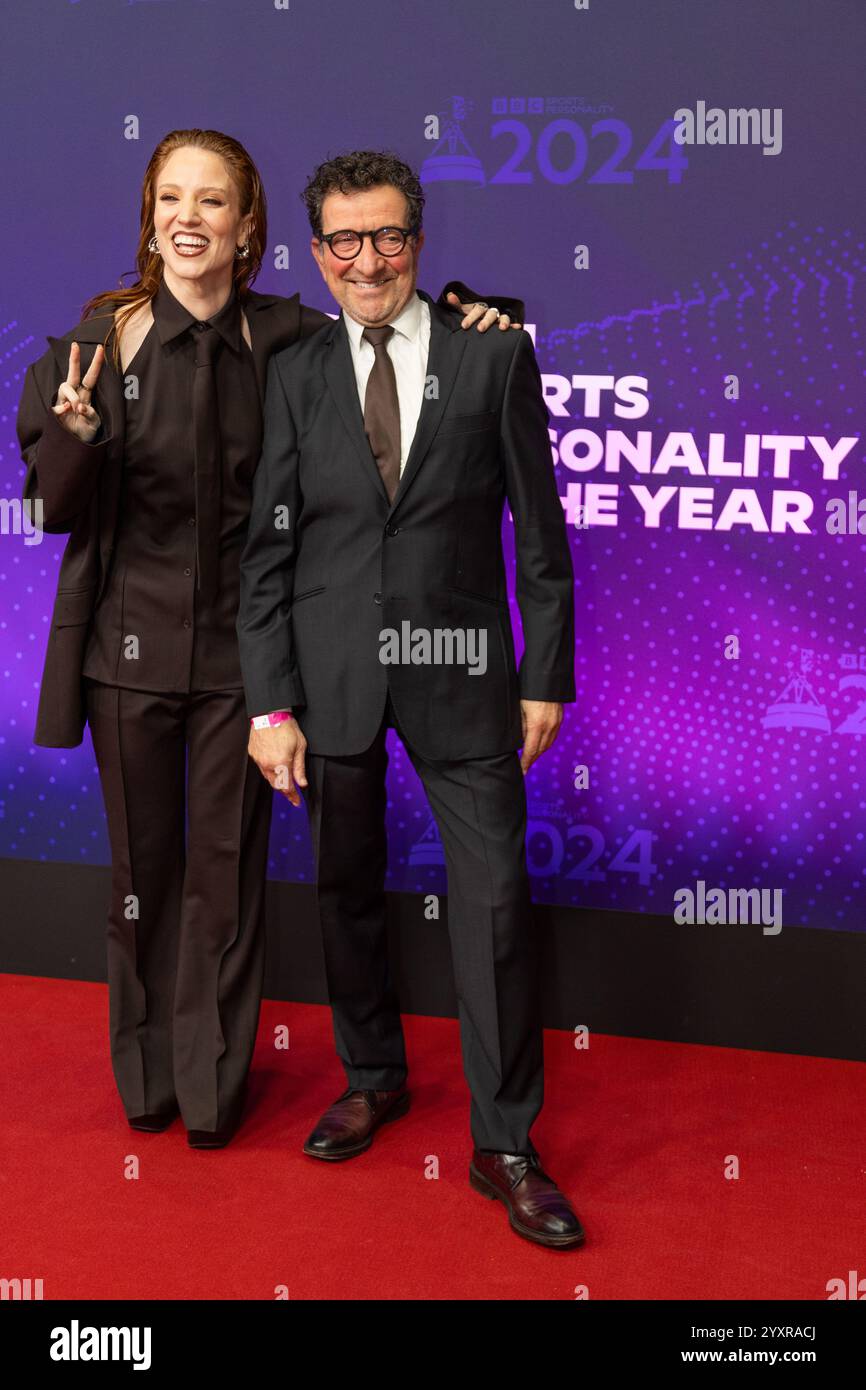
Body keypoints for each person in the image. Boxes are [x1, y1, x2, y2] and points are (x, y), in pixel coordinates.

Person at [16, 128, 523, 1150]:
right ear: (150, 219)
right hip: (127, 653)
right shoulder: (90, 345)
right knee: (139, 879)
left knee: (225, 886)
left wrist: (480, 305)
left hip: (252, 662)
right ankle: (147, 1074)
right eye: (171, 199)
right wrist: (76, 435)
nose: (188, 218)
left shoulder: (284, 336)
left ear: (248, 229)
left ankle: (211, 1090)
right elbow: (49, 508)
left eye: (212, 202)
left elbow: (380, 305)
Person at [238, 150, 583, 1248]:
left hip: (464, 672)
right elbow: (267, 556)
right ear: (317, 253)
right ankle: (373, 1076)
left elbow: (541, 534)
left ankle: (505, 1143)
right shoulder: (292, 370)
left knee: (490, 906)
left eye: (387, 236)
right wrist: (267, 704)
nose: (367, 259)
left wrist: (543, 674)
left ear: (418, 243)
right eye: (343, 240)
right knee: (344, 892)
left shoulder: (491, 362)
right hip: (330, 673)